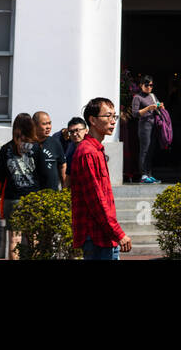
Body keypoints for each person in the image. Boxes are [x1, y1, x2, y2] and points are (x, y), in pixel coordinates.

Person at [69, 97, 131, 259]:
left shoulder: (95, 150)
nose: (113, 121)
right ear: (92, 120)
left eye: (114, 116)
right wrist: (118, 232)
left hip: (103, 235)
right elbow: (96, 199)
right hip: (97, 237)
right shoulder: (88, 152)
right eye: (108, 116)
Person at [0, 112, 42, 259]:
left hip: (12, 198)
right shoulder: (36, 148)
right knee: (34, 237)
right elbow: (42, 173)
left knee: (14, 238)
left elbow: (0, 175)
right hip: (33, 197)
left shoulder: (5, 149)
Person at [131, 75, 164, 184]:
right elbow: (135, 113)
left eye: (151, 85)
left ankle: (149, 174)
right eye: (147, 85)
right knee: (144, 150)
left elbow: (159, 106)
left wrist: (160, 106)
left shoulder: (152, 96)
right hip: (144, 126)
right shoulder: (137, 97)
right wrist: (148, 108)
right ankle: (144, 175)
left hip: (154, 125)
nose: (149, 87)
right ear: (141, 85)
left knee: (151, 150)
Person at [32, 110, 66, 191]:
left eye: (49, 123)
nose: (48, 127)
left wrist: (64, 187)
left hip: (52, 195)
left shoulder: (55, 142)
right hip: (32, 195)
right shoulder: (28, 144)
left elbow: (62, 165)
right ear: (34, 125)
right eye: (44, 124)